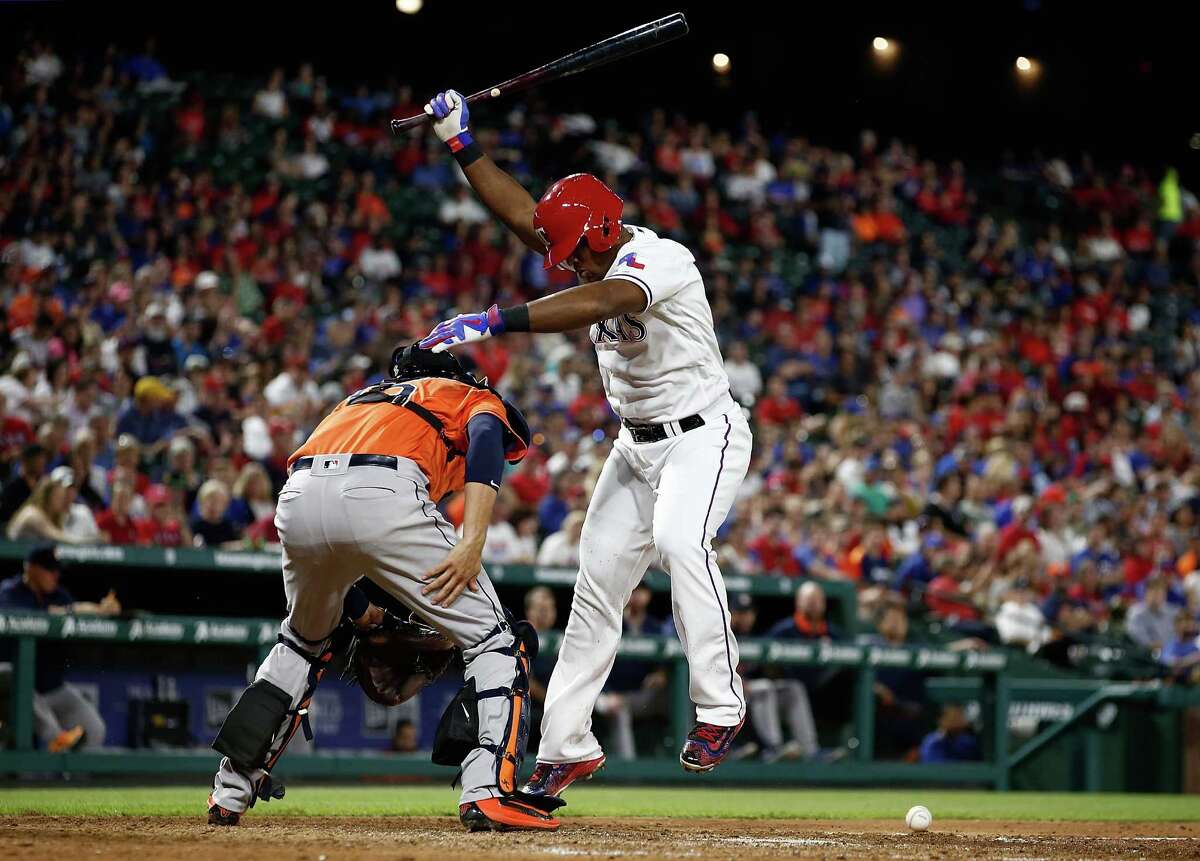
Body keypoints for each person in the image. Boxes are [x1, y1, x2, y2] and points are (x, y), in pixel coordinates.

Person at [419, 88, 753, 793]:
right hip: (636, 446)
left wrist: (494, 319)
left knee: (679, 541)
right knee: (596, 586)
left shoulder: (662, 262)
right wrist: (460, 141)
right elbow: (518, 214)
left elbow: (601, 301)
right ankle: (567, 743)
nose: (568, 264)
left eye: (576, 252)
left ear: (605, 232)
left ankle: (721, 707)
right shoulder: (588, 242)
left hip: (704, 436)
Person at [206, 346, 557, 833]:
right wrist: (472, 538)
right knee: (499, 641)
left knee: (302, 642)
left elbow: (333, 516)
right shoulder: (459, 392)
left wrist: (359, 608)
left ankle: (229, 792)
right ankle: (487, 791)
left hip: (299, 495)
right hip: (384, 488)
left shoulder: (357, 401)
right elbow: (486, 433)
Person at [0, 545, 119, 751]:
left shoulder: (59, 595)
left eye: (57, 570)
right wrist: (65, 612)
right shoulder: (9, 591)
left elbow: (73, 611)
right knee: (14, 676)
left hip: (50, 687)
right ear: (31, 568)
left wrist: (101, 610)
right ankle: (56, 737)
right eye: (49, 570)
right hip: (13, 689)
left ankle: (77, 781)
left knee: (94, 729)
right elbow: (29, 616)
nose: (55, 575)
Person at [595, 585, 672, 760]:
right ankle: (629, 768)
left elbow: (664, 665)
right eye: (635, 589)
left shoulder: (655, 627)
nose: (638, 595)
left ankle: (689, 759)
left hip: (642, 696)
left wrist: (661, 673)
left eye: (643, 591)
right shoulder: (612, 622)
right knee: (617, 708)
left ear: (649, 595)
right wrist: (607, 692)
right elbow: (597, 665)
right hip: (612, 693)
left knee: (681, 698)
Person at [6, 474, 85, 544]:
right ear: (48, 497)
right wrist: (92, 541)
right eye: (59, 497)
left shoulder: (54, 517)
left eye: (63, 497)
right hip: (12, 559)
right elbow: (60, 538)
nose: (62, 501)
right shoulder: (32, 514)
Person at [0, 443, 47, 524]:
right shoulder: (13, 487)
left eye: (43, 459)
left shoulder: (44, 484)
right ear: (27, 461)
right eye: (38, 459)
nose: (42, 463)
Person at [1126, 578, 1176, 653]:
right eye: (1154, 592)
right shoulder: (1136, 614)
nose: (1157, 597)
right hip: (1144, 656)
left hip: (1172, 654)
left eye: (1160, 593)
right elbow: (1142, 643)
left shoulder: (1173, 612)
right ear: (1145, 593)